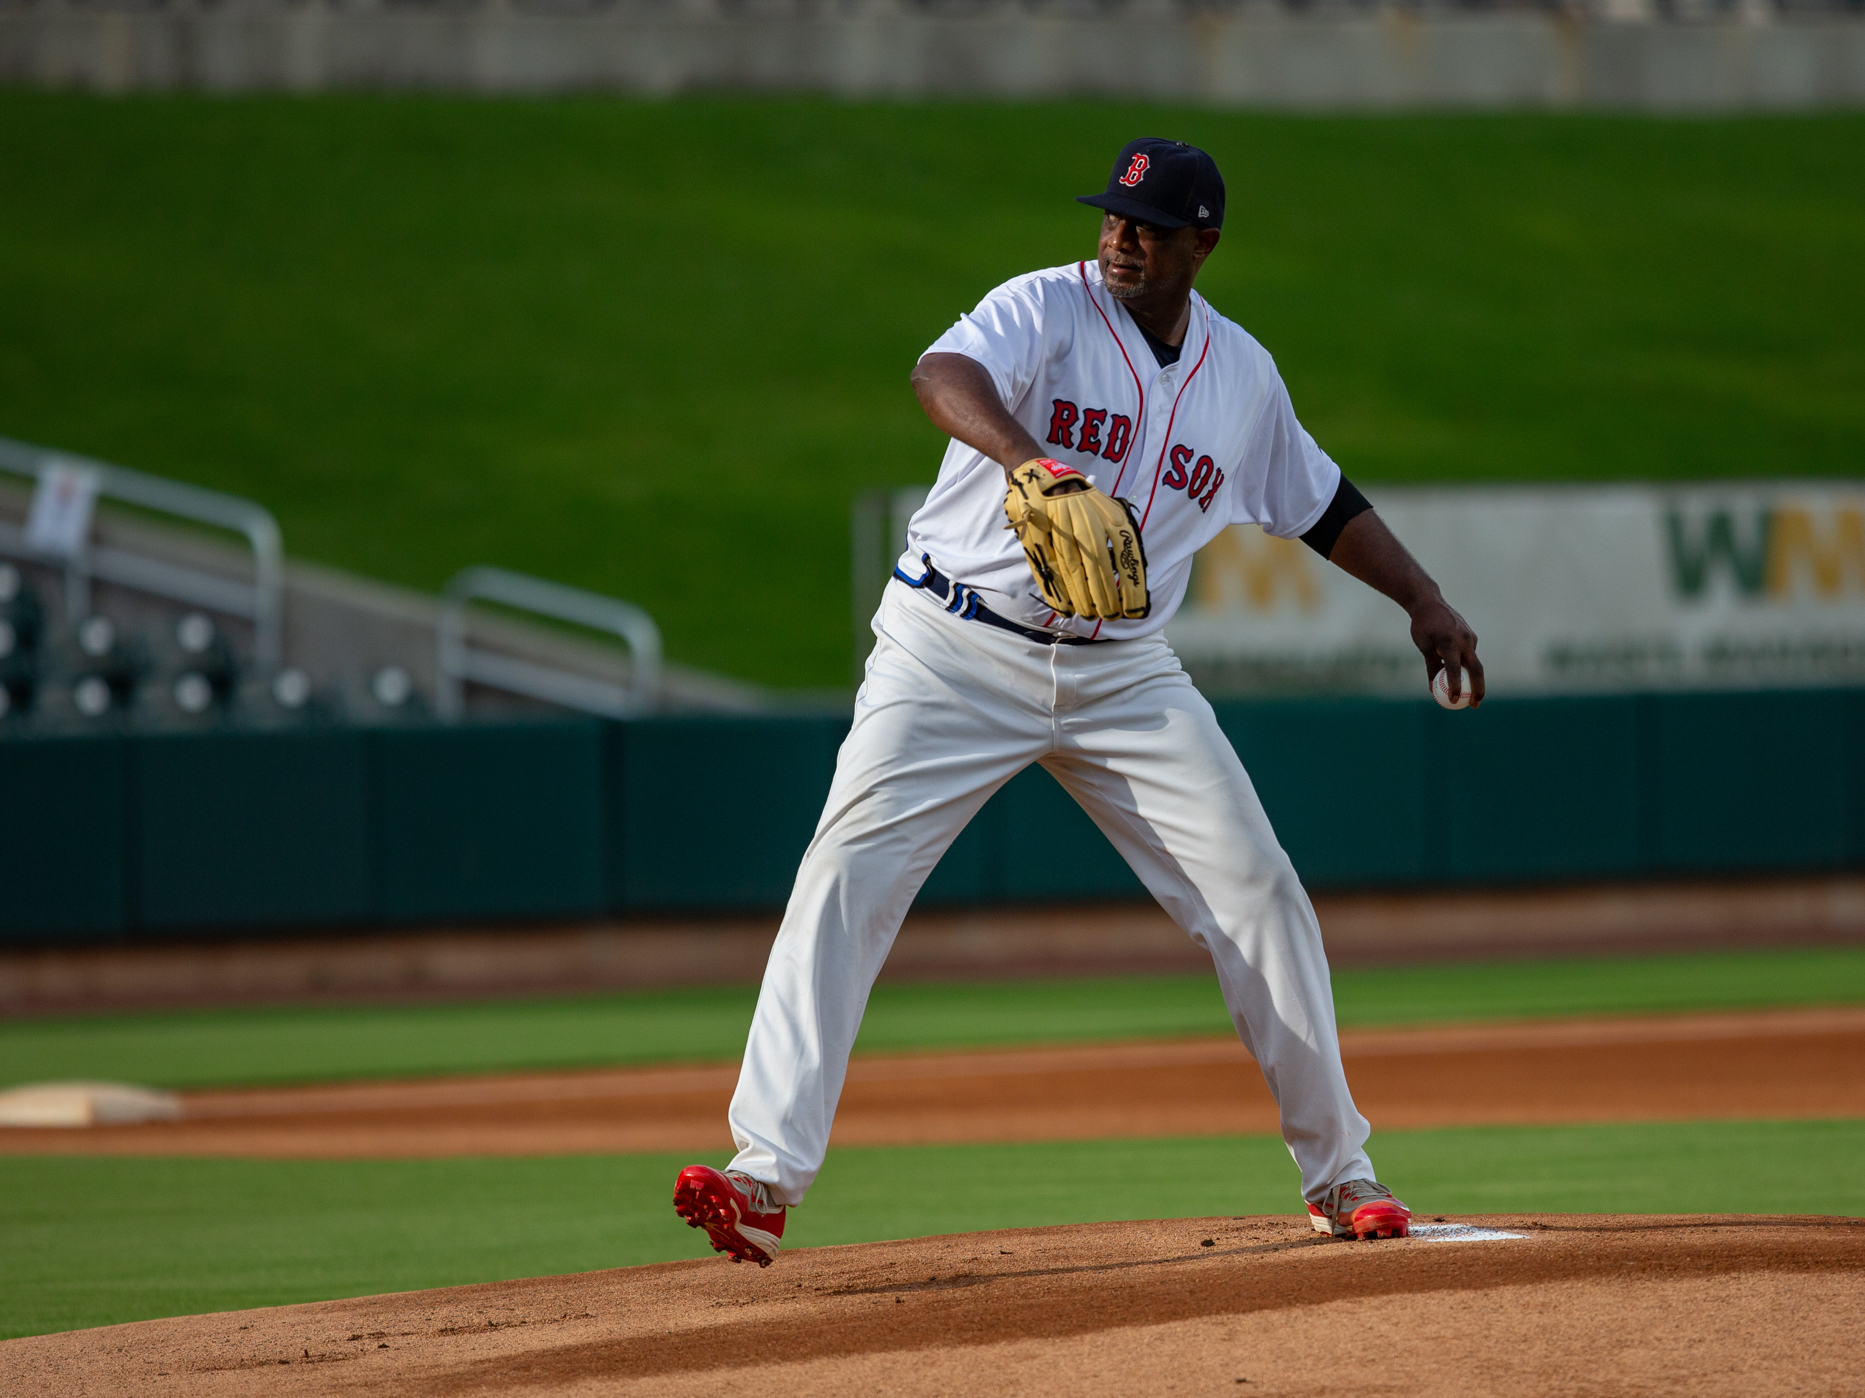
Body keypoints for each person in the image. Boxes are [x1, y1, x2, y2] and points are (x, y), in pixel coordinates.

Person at [673, 137, 1484, 1266]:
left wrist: (1423, 598)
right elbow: (936, 375)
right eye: (1111, 214)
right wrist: (1025, 461)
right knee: (845, 873)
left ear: (1200, 245)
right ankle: (762, 1173)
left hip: (1122, 673)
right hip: (950, 646)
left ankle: (1341, 1172)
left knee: (1254, 888)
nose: (1119, 234)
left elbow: (1317, 499)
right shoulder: (1042, 310)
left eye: (1147, 225)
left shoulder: (1238, 376)